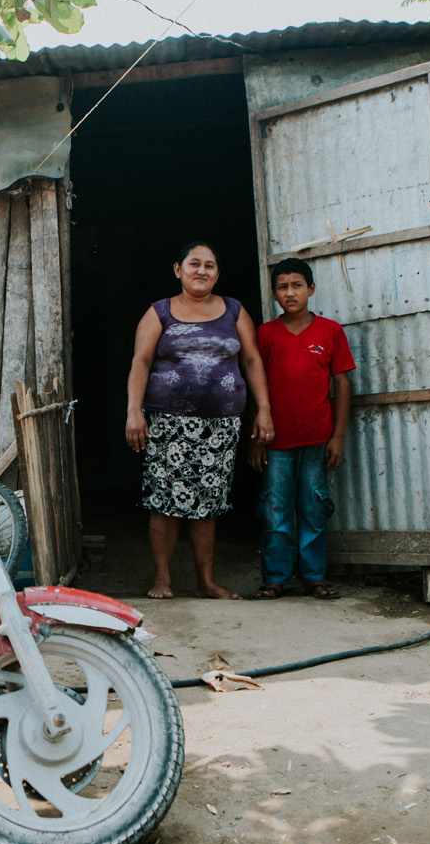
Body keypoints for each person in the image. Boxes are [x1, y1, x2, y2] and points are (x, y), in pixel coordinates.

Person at [126, 242, 272, 600]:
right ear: (178, 269)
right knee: (164, 502)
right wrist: (134, 410)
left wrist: (264, 408)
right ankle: (163, 578)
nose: (201, 271)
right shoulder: (159, 312)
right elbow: (141, 362)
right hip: (166, 423)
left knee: (208, 503)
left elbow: (252, 361)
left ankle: (206, 582)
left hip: (221, 425)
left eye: (209, 266)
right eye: (194, 264)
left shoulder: (234, 311)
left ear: (217, 274)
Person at [247, 257, 354, 600]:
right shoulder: (266, 334)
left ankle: (314, 576)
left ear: (311, 289)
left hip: (317, 439)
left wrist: (337, 436)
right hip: (275, 441)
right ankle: (275, 578)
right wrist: (256, 440)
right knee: (275, 511)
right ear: (275, 294)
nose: (289, 292)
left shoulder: (330, 331)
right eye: (282, 286)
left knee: (314, 508)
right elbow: (255, 386)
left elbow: (342, 384)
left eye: (296, 285)